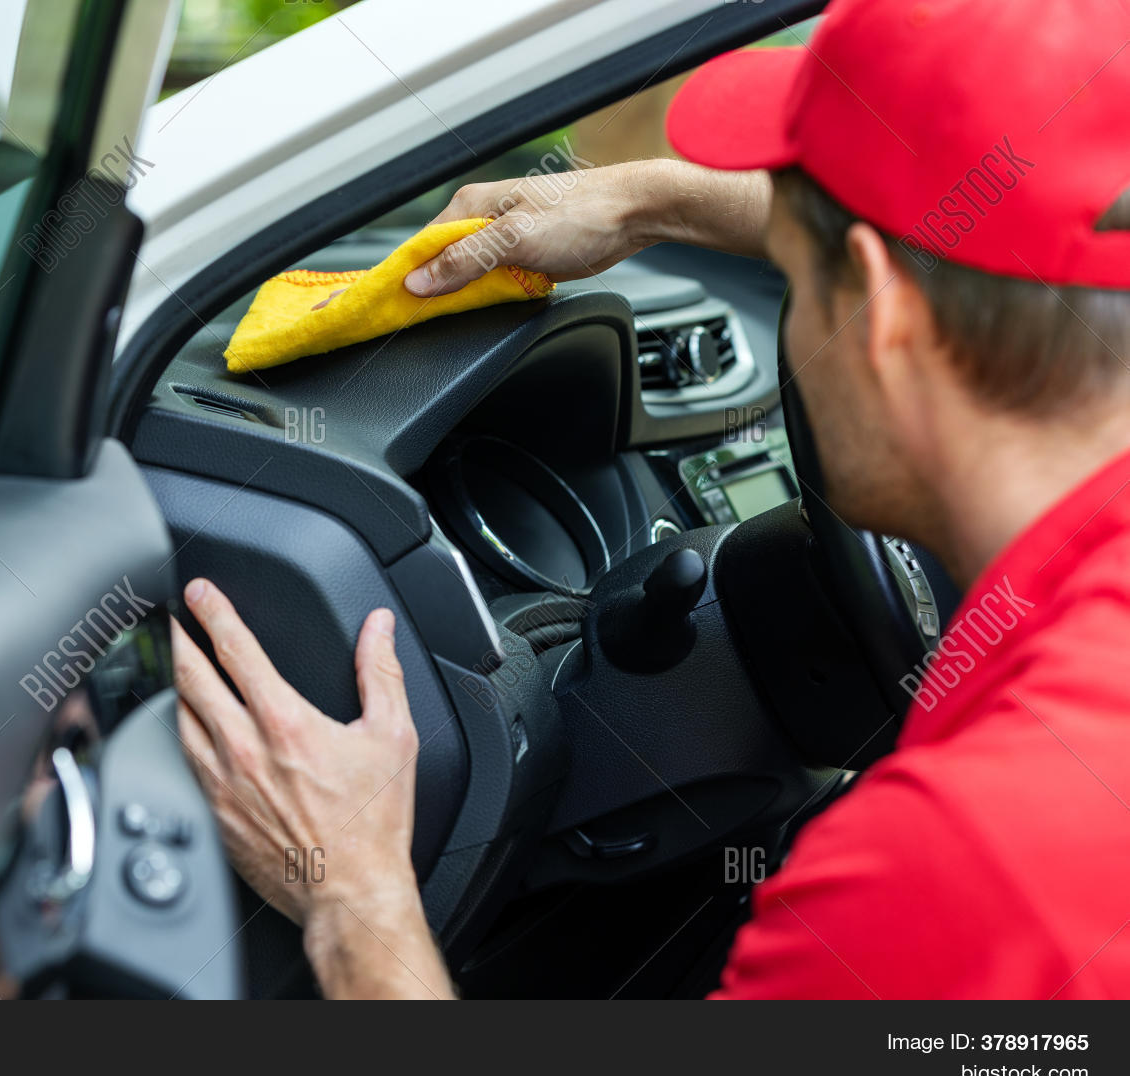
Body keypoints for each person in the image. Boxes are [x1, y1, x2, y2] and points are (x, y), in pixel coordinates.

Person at [169, 0, 1130, 998]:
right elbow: (955, 246)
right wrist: (649, 203)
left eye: (799, 282)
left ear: (883, 321)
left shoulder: (955, 872)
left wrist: (353, 897)